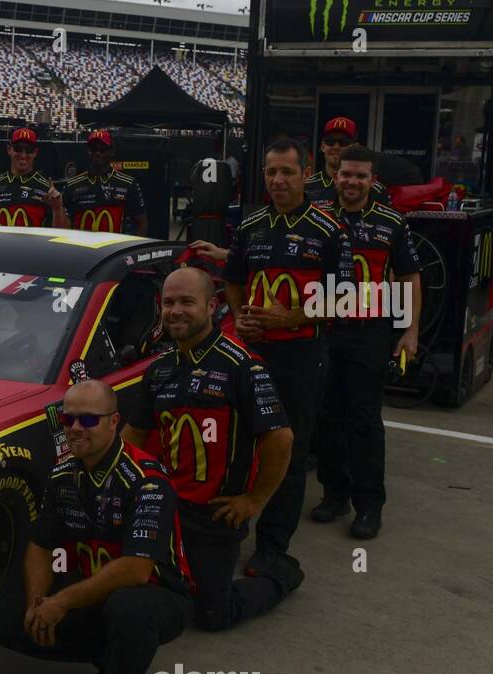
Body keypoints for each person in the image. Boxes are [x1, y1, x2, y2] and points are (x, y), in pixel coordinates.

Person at [0, 379, 193, 674]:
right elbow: (39, 545)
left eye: (88, 420)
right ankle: (110, 660)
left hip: (159, 594)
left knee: (129, 608)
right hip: (94, 587)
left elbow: (136, 569)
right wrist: (38, 602)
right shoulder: (62, 473)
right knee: (4, 615)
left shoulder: (147, 481)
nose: (76, 429)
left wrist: (61, 603)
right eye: (68, 420)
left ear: (114, 422)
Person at [124, 268, 297, 632]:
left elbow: (280, 439)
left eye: (187, 301)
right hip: (167, 505)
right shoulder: (158, 370)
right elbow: (133, 437)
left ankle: (280, 575)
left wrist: (254, 501)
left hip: (214, 514)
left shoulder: (243, 367)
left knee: (211, 615)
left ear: (211, 305)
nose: (176, 311)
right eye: (169, 303)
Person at [223, 138, 355, 582]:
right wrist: (241, 317)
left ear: (306, 174)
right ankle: (230, 529)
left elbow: (346, 299)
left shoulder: (330, 230)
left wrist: (290, 317)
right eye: (271, 172)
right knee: (241, 442)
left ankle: (273, 546)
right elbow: (233, 279)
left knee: (288, 449)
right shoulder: (251, 225)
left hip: (301, 355)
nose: (278, 180)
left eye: (287, 172)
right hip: (252, 354)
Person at [311, 145, 423, 540]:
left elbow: (410, 278)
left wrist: (410, 332)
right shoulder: (318, 217)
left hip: (371, 331)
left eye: (361, 176)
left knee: (364, 421)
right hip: (324, 328)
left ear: (372, 180)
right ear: (335, 176)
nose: (352, 182)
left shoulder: (392, 222)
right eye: (346, 174)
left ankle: (369, 506)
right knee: (327, 417)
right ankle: (334, 494)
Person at [62, 129, 147, 234]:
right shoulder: (72, 185)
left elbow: (141, 223)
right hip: (81, 249)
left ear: (112, 151)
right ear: (87, 151)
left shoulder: (128, 184)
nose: (97, 153)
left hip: (116, 248)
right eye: (93, 149)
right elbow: (63, 225)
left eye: (103, 149)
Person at [0, 127, 69, 229]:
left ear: (35, 152)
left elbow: (62, 232)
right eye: (18, 149)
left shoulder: (47, 189)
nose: (23, 155)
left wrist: (57, 209)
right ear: (9, 150)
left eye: (29, 150)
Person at [305, 117, 390, 207]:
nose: (336, 147)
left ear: (355, 147)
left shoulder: (375, 190)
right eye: (330, 141)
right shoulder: (307, 186)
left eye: (343, 142)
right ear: (322, 146)